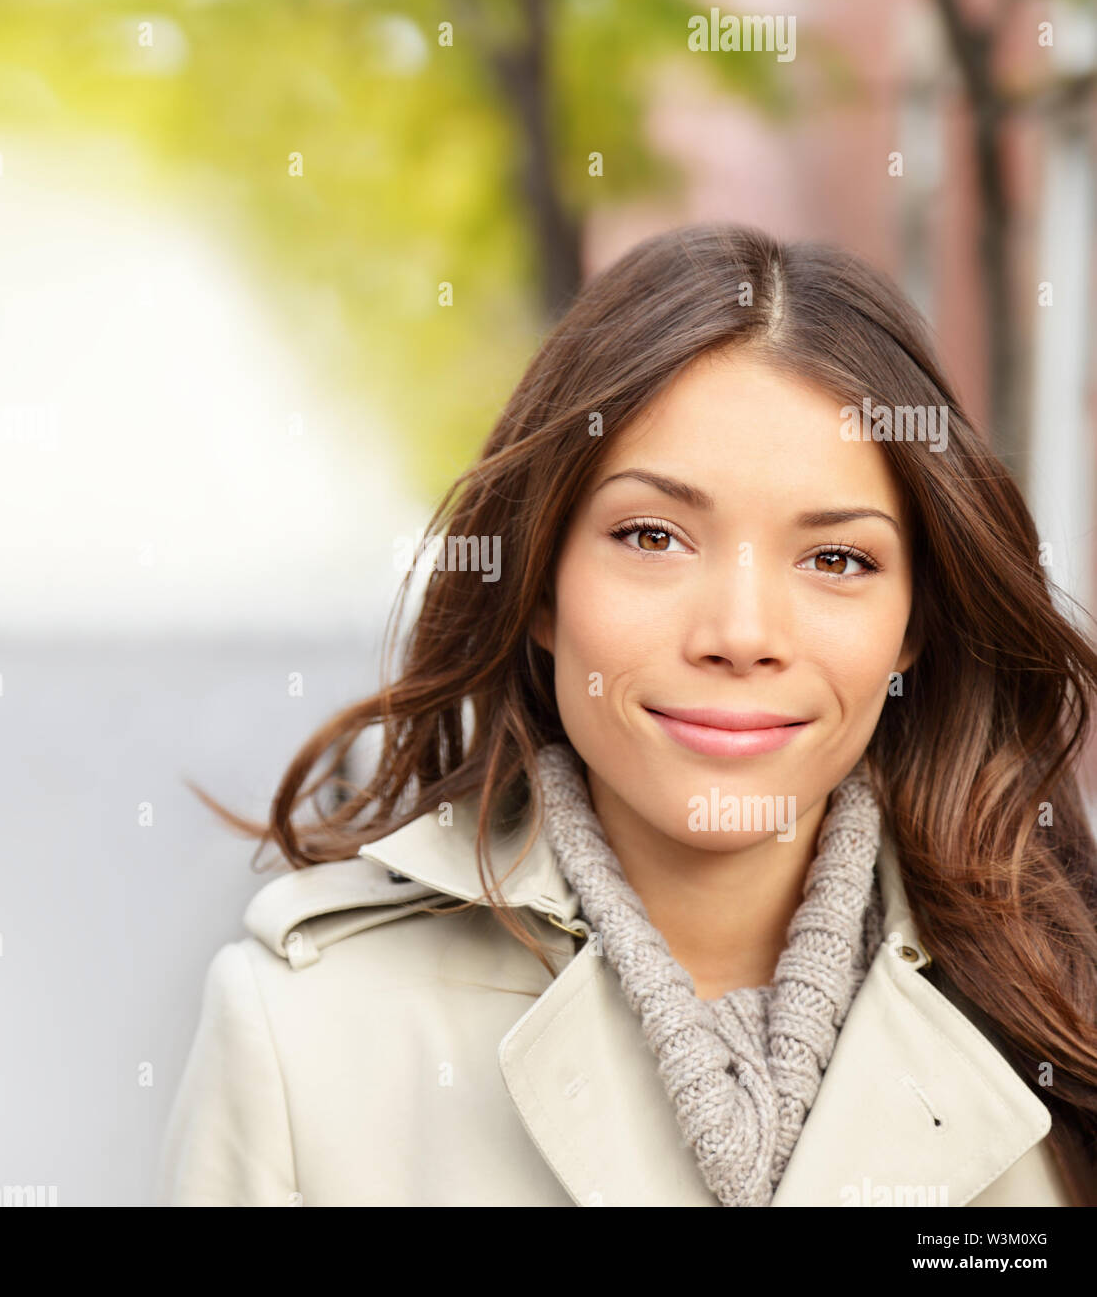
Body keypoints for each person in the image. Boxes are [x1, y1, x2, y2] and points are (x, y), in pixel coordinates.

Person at [157, 223, 1097, 1207]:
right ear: (541, 590)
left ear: (915, 624)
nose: (740, 633)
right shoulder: (303, 1036)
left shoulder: (1059, 1026)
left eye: (836, 559)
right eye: (651, 536)